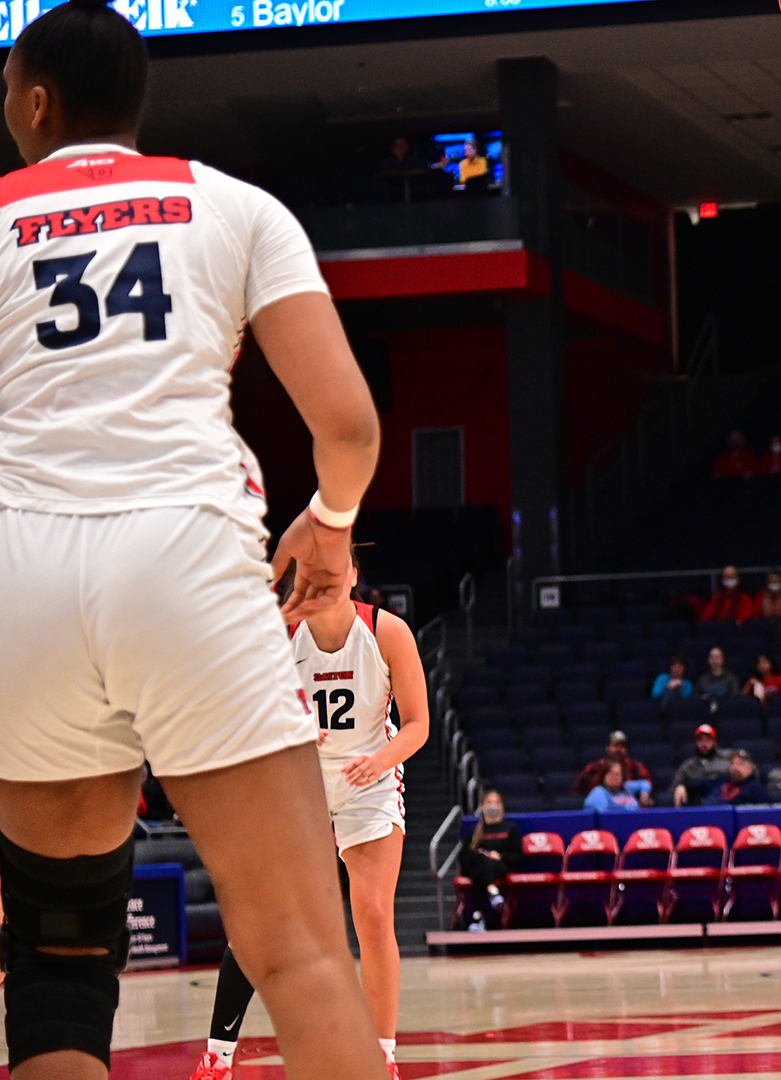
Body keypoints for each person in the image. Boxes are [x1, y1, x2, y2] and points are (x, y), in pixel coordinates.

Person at [0, 5, 388, 1077]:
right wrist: (333, 523)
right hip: (185, 559)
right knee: (302, 956)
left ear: (35, 104)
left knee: (57, 960)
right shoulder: (234, 206)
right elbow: (348, 426)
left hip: (19, 570)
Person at [195, 560, 431, 1080]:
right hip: (296, 779)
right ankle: (217, 1058)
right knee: (260, 917)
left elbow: (418, 724)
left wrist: (381, 760)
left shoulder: (386, 631)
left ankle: (383, 1056)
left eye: (334, 570)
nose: (323, 580)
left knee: (371, 913)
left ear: (353, 577)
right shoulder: (277, 634)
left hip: (369, 774)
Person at [456, 790, 520, 930]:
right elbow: (463, 856)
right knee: (480, 862)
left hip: (499, 866)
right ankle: (493, 892)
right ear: (483, 806)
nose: (493, 806)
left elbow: (517, 855)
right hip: (477, 868)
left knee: (480, 870)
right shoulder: (475, 831)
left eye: (496, 803)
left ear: (502, 806)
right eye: (489, 803)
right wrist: (479, 856)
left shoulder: (510, 829)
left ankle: (478, 917)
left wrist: (501, 856)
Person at [671, 724, 733, 807]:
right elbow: (674, 787)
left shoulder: (727, 760)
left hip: (722, 803)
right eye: (700, 740)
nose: (704, 744)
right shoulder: (688, 765)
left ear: (715, 742)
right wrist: (680, 787)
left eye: (708, 740)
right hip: (696, 805)